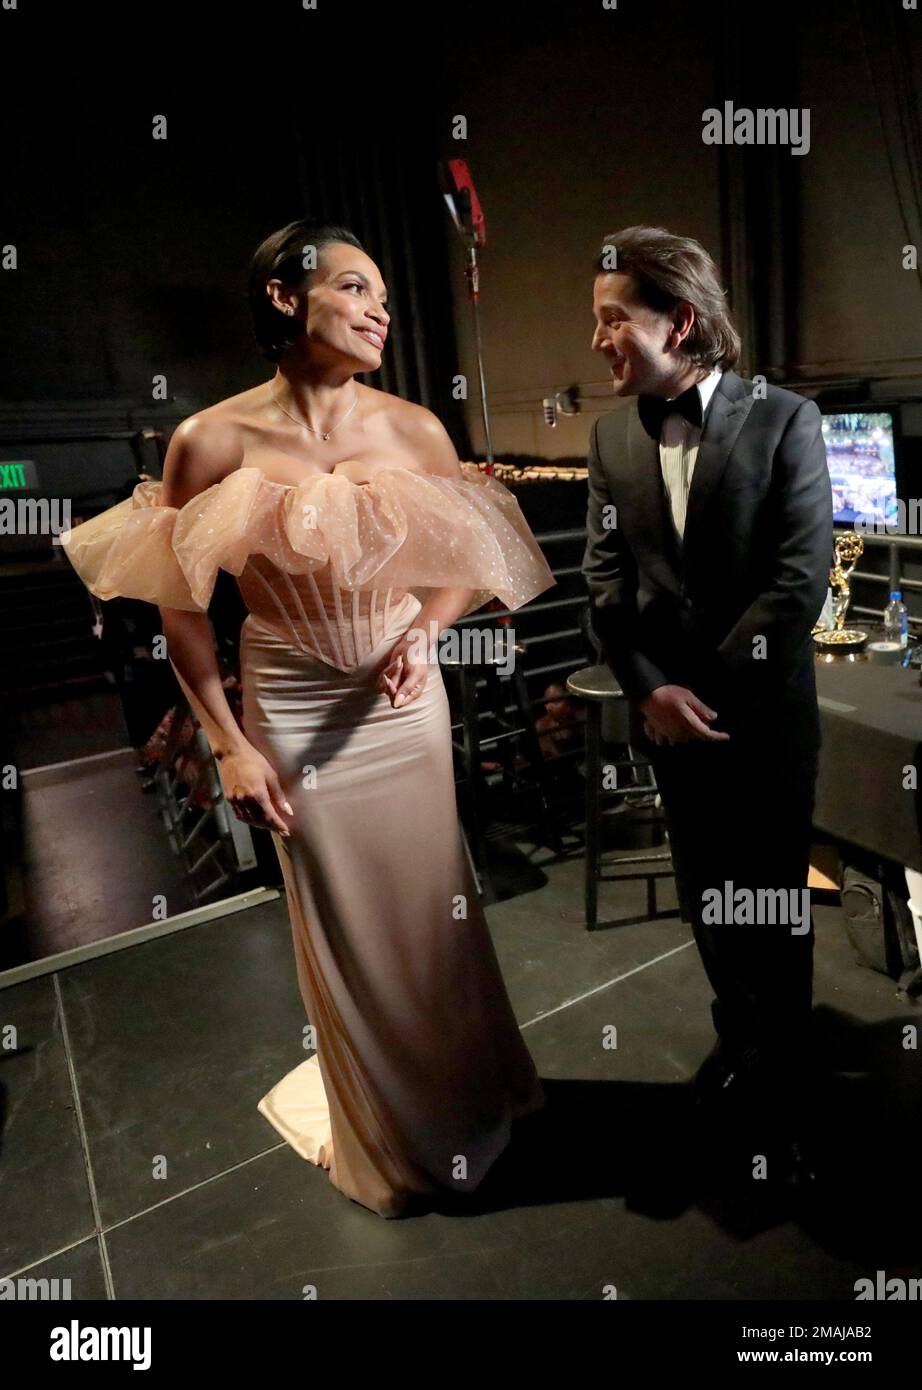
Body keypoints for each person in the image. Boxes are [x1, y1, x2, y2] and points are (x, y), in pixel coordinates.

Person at [62, 218, 556, 1218]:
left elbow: (467, 564)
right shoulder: (210, 438)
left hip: (401, 707)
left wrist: (424, 630)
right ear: (287, 299)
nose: (381, 309)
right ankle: (392, 1136)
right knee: (345, 921)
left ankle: (469, 1099)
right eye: (355, 288)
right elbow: (182, 614)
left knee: (433, 911)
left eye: (382, 292)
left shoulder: (414, 426)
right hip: (285, 703)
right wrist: (229, 744)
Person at [582, 225, 833, 1183]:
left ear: (679, 321)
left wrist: (701, 693)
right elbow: (605, 590)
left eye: (615, 320)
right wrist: (651, 693)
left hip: (762, 723)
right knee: (708, 903)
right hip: (668, 726)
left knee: (772, 911)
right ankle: (742, 1047)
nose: (600, 340)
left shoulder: (786, 421)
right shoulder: (609, 437)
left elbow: (796, 585)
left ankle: (795, 1090)